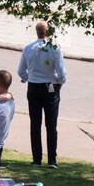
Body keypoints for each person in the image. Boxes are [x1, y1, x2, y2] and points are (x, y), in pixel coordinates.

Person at [18, 21, 67, 167]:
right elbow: (61, 72)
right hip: (49, 86)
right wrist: (59, 82)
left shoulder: (28, 48)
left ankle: (37, 159)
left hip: (33, 86)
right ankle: (52, 159)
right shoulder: (55, 48)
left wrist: (29, 78)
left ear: (37, 32)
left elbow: (21, 71)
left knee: (35, 124)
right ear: (48, 32)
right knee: (51, 125)